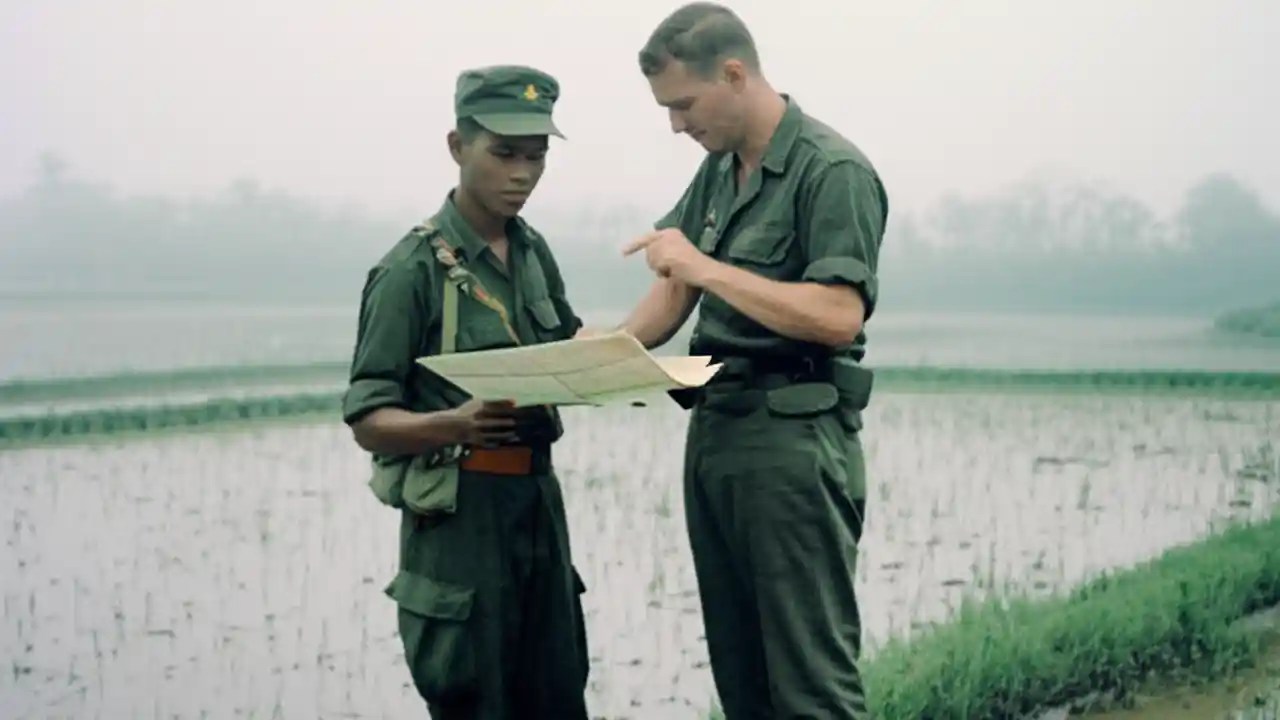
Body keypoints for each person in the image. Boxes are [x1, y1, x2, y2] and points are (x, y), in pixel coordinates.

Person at [606, 3, 889, 717]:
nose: (676, 124)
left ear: (734, 74)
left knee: (809, 686)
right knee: (744, 680)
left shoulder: (833, 171)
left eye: (684, 104)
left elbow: (837, 314)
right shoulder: (719, 169)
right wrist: (593, 358)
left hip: (791, 442)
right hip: (718, 432)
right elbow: (672, 293)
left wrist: (706, 269)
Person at [340, 65, 590, 719]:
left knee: (558, 695)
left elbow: (569, 351)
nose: (523, 174)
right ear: (458, 147)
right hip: (460, 519)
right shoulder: (410, 270)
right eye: (504, 154)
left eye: (536, 158)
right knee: (477, 700)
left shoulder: (535, 255)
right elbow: (368, 417)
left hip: (538, 503)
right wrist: (455, 425)